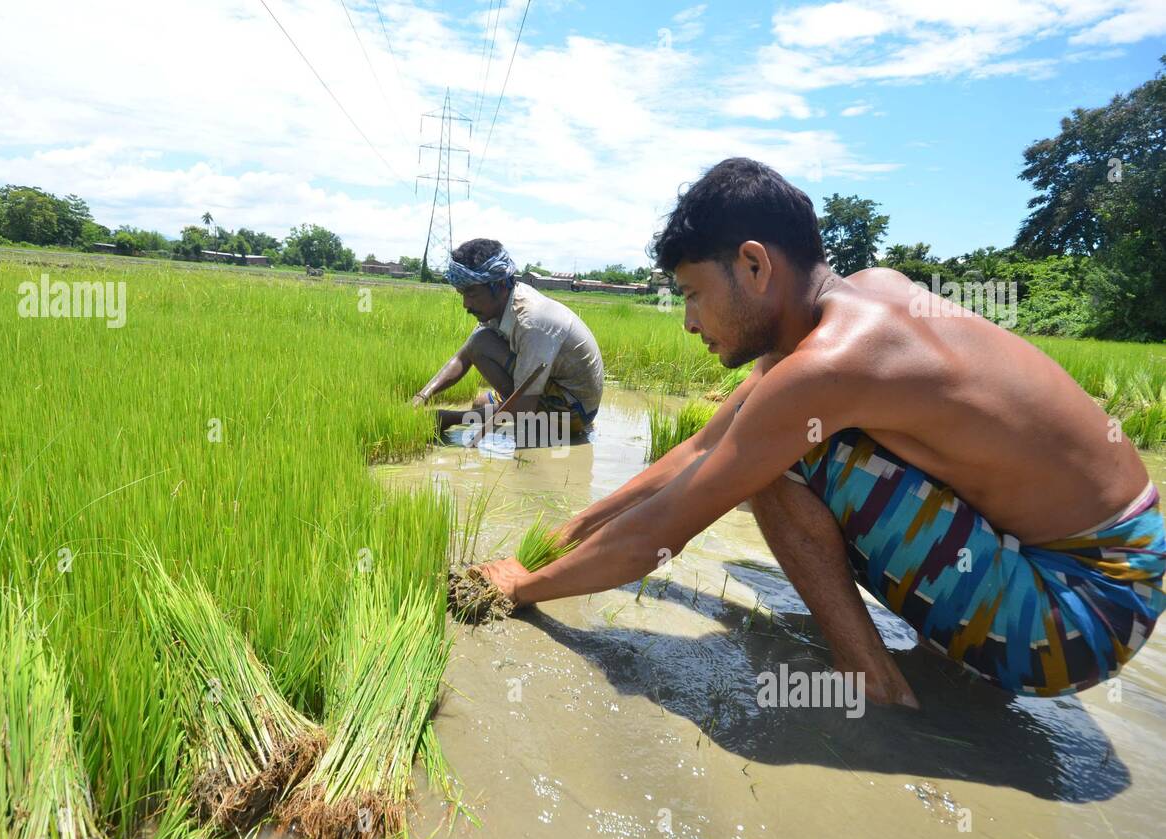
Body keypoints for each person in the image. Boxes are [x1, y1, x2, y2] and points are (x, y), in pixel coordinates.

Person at [476, 157, 1166, 708]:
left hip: (1083, 614)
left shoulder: (836, 361)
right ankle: (939, 648)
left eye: (691, 293)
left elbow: (666, 530)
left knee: (783, 459)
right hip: (1115, 566)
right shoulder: (862, 295)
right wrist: (576, 525)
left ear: (754, 265)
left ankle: (870, 679)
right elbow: (702, 445)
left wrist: (522, 587)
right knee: (773, 440)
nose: (688, 321)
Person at [413, 238, 604, 441]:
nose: (465, 304)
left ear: (498, 285)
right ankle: (521, 413)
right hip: (550, 391)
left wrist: (452, 419)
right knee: (480, 402)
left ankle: (552, 426)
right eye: (462, 294)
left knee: (482, 345)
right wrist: (422, 397)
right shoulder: (500, 306)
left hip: (573, 412)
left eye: (471, 293)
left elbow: (523, 408)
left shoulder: (533, 321)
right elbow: (464, 356)